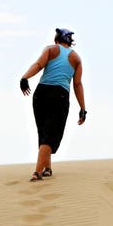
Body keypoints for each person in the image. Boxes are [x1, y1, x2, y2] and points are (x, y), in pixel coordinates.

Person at [20, 28, 87, 182]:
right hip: (60, 95)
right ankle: (37, 172)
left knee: (44, 131)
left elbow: (38, 65)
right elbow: (77, 84)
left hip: (41, 93)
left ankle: (47, 168)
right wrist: (82, 109)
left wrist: (25, 78)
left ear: (57, 39)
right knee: (50, 134)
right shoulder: (76, 59)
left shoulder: (50, 49)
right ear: (70, 41)